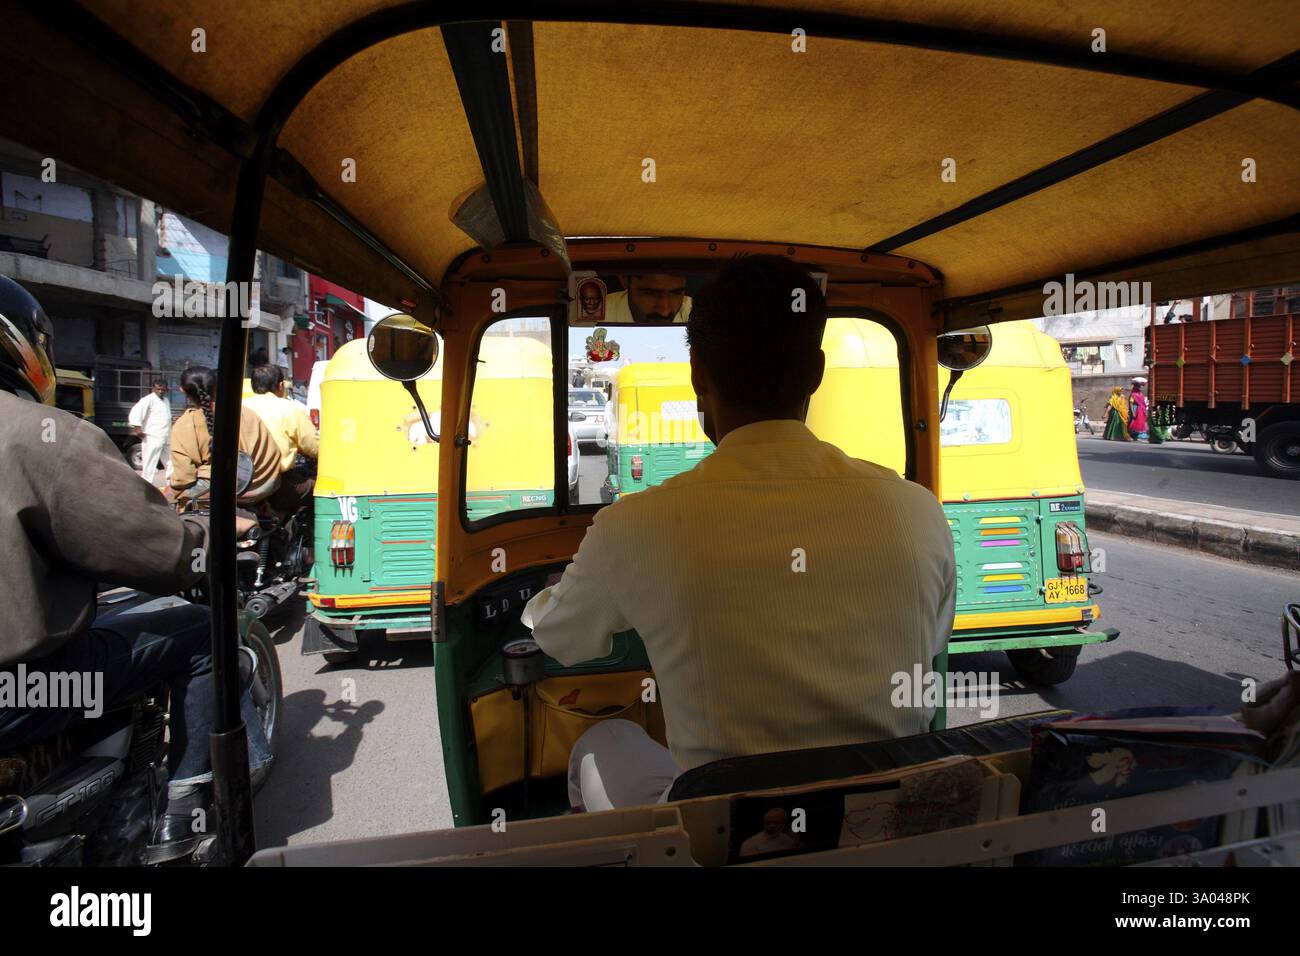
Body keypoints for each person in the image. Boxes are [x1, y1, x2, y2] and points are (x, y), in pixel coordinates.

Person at [523, 255, 957, 811]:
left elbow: (560, 639)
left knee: (604, 740)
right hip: (881, 825)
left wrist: (563, 592)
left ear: (697, 372)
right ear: (816, 372)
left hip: (716, 836)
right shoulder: (916, 511)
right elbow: (934, 638)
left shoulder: (635, 527)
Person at [0, 275, 269, 862]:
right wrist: (201, 533)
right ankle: (189, 822)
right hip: (19, 691)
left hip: (185, 491)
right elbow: (161, 551)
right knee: (201, 632)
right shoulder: (39, 436)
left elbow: (176, 478)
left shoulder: (177, 424)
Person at [170, 366, 281, 506]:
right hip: (264, 486)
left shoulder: (184, 425)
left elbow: (183, 477)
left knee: (172, 497)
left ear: (183, 391)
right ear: (216, 386)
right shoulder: (246, 412)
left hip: (226, 490)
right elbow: (273, 452)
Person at [243, 363, 319, 517]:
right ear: (280, 385)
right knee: (318, 488)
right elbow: (314, 447)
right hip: (275, 484)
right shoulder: (290, 409)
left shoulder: (241, 407)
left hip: (242, 481)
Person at [127, 377, 173, 489]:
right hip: (153, 436)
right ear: (153, 388)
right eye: (158, 389)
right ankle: (146, 487)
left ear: (166, 389)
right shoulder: (148, 399)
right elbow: (135, 413)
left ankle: (171, 485)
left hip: (166, 435)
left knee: (171, 462)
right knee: (150, 462)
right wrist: (138, 431)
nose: (160, 391)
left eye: (163, 389)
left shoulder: (166, 400)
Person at [604, 274, 692, 324]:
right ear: (624, 279)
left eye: (676, 293)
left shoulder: (694, 312)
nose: (665, 312)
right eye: (651, 294)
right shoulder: (599, 315)